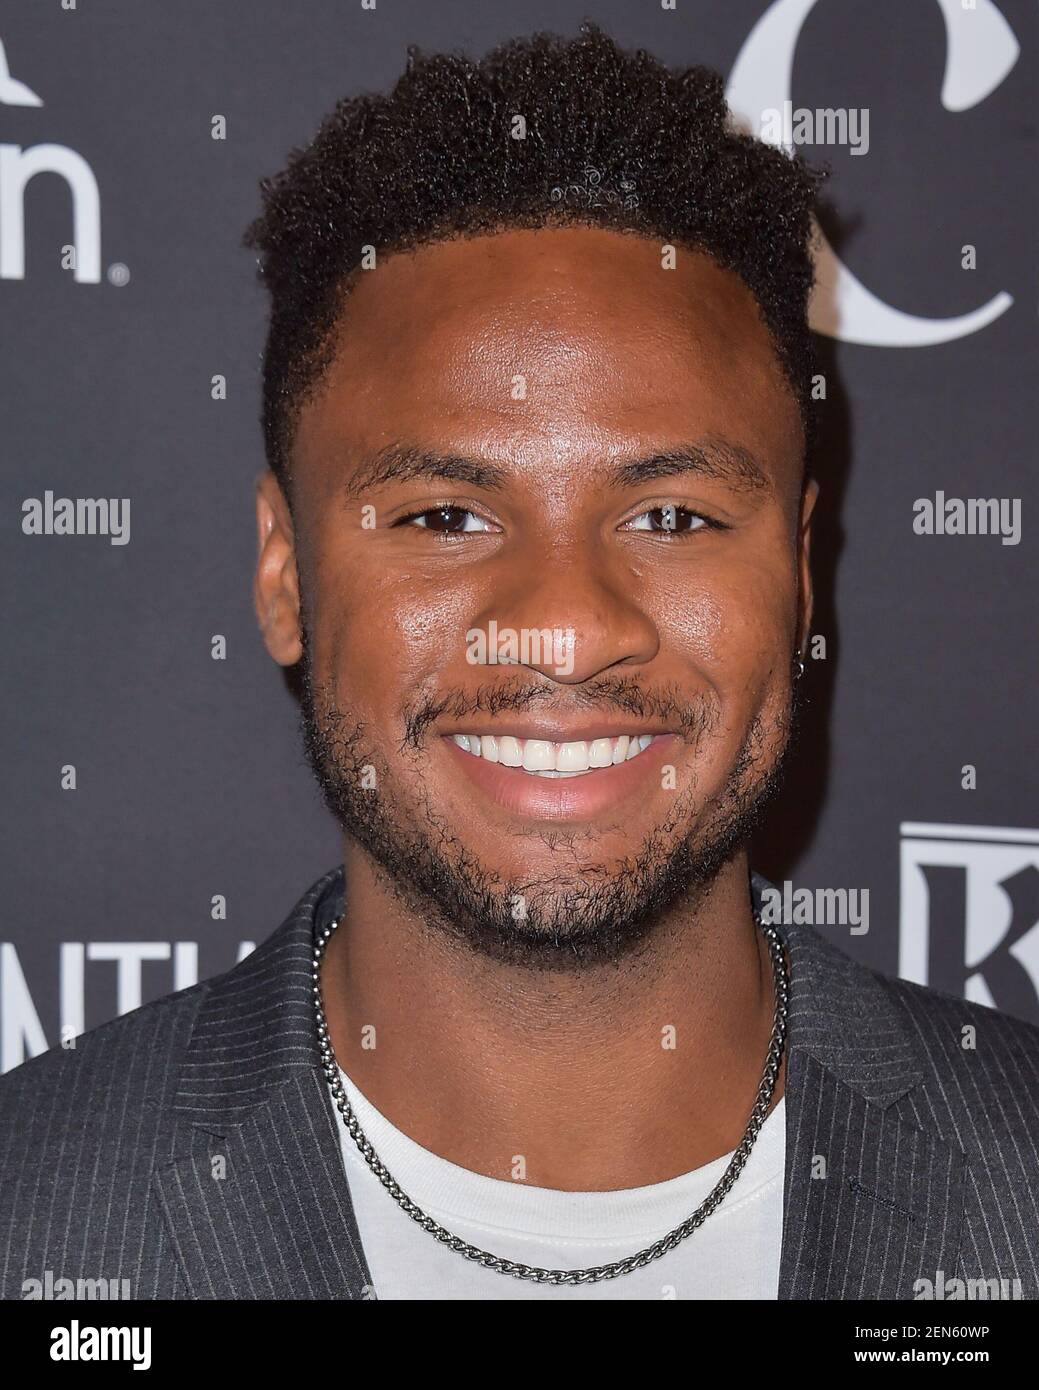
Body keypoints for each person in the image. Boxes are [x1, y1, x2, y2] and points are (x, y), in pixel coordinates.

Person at [2, 24, 1037, 1302]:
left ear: (801, 573)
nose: (565, 623)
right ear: (284, 575)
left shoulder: (1019, 1184)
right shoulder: (32, 1217)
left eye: (672, 517)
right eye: (445, 515)